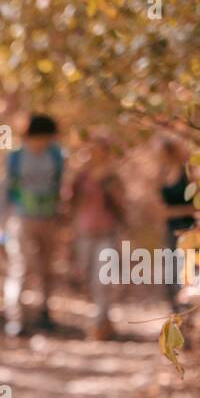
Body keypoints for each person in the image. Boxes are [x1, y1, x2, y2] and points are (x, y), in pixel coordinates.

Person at [0, 114, 66, 337]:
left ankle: (45, 312)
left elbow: (60, 185)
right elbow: (4, 190)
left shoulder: (55, 155)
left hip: (48, 218)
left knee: (47, 268)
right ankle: (16, 319)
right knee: (20, 267)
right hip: (21, 218)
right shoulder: (15, 157)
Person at [66, 136, 127, 340]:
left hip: (106, 232)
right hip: (84, 232)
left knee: (102, 278)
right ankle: (102, 320)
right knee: (87, 278)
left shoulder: (112, 177)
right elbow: (70, 202)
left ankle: (99, 323)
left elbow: (121, 205)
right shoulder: (81, 177)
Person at [157, 136, 196, 313]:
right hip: (170, 230)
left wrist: (173, 212)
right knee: (170, 276)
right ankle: (176, 315)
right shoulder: (163, 174)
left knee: (187, 275)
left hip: (189, 230)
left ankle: (186, 315)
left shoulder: (188, 174)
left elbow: (199, 207)